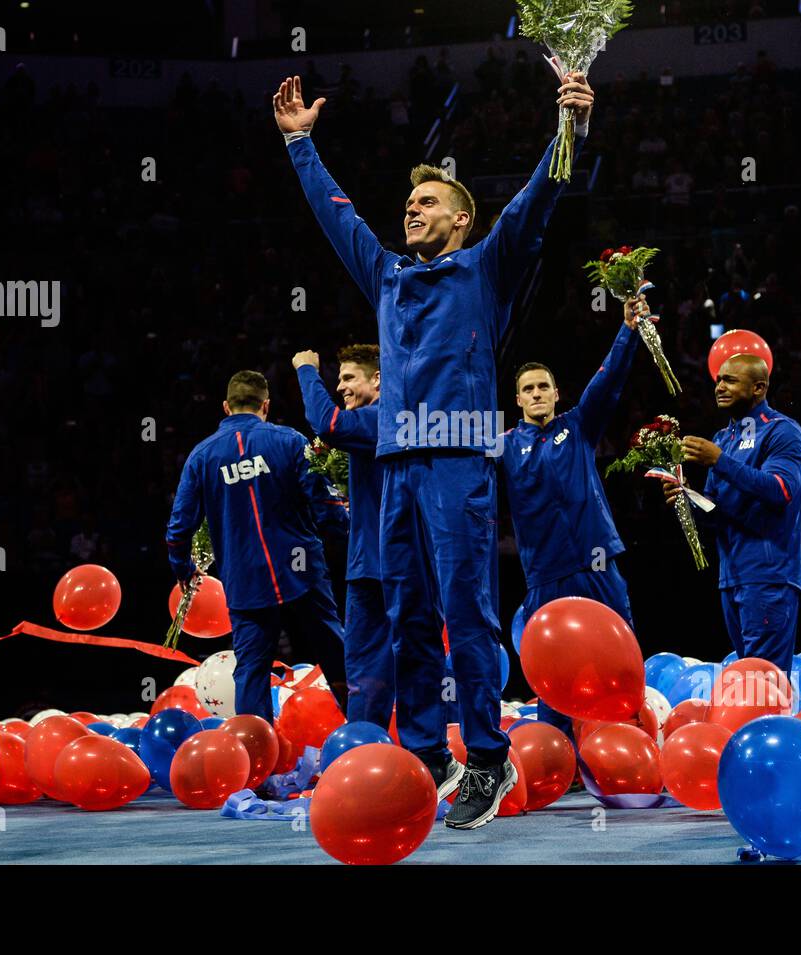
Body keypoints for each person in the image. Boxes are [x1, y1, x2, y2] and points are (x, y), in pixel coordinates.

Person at [273, 66, 594, 829]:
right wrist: (299, 146)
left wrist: (570, 131)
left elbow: (537, 201)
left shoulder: (486, 266)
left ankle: (487, 755)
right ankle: (426, 752)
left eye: (427, 203)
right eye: (409, 202)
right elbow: (335, 216)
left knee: (464, 607)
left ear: (459, 221)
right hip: (393, 469)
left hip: (457, 463)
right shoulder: (385, 274)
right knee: (404, 612)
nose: (410, 209)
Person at [500, 294, 648, 739]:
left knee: (620, 651)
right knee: (554, 664)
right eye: (528, 389)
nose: (537, 394)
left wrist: (627, 330)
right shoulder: (504, 447)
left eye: (543, 386)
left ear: (556, 393)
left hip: (596, 559)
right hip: (545, 573)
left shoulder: (577, 426)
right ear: (519, 400)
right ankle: (556, 751)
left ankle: (631, 739)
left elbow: (608, 381)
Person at [166, 370, 348, 723]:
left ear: (225, 406)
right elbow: (325, 504)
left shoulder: (201, 456)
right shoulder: (290, 441)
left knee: (251, 669)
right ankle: (367, 732)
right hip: (301, 571)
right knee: (334, 650)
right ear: (266, 405)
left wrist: (184, 570)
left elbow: (177, 530)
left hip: (245, 580)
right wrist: (344, 540)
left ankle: (254, 757)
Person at [659, 354, 801, 673]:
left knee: (762, 680)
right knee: (751, 678)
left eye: (730, 380)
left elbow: (780, 491)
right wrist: (686, 500)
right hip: (732, 576)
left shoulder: (783, 432)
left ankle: (770, 725)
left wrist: (720, 462)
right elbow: (717, 511)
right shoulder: (722, 439)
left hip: (769, 574)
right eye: (718, 381)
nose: (720, 387)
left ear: (759, 388)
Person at [292, 344, 394, 726]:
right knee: (366, 671)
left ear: (378, 379)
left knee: (379, 666)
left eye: (349, 378)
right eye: (339, 379)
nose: (341, 387)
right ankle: (368, 749)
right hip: (368, 564)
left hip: (387, 567)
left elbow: (327, 423)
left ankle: (402, 752)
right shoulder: (372, 424)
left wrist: (306, 370)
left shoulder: (380, 417)